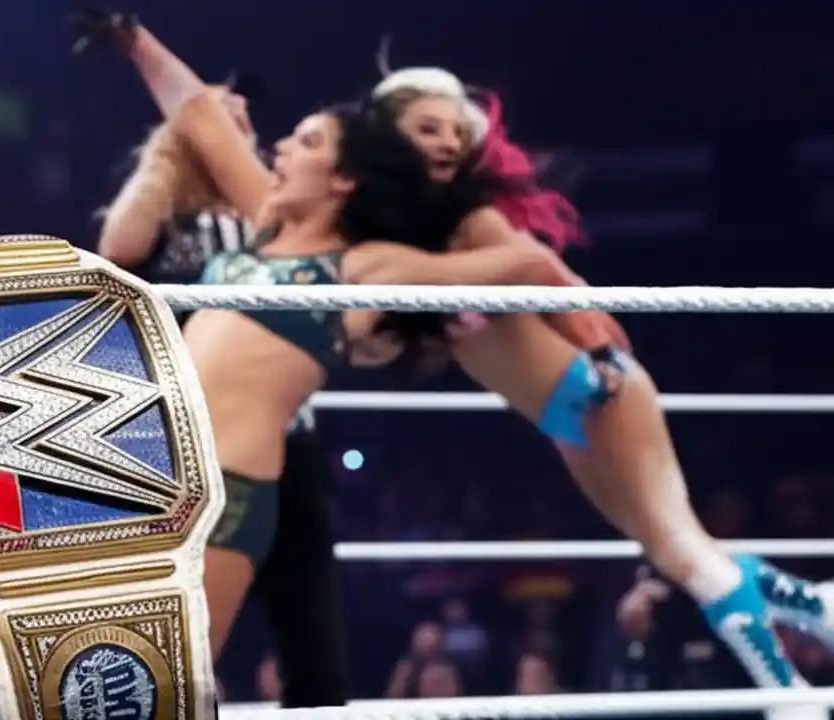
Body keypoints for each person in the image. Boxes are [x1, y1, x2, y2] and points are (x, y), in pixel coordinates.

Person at [68, 10, 618, 662]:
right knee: (87, 661)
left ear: (343, 178)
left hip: (227, 489)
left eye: (305, 142)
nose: (279, 148)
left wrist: (597, 347)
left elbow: (526, 261)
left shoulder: (365, 267)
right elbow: (199, 115)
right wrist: (133, 38)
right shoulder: (267, 226)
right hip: (153, 468)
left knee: (172, 674)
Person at [351, 62, 830, 689]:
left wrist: (598, 355)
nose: (447, 142)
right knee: (679, 553)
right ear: (387, 139)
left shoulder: (471, 221)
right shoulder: (407, 236)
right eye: (427, 129)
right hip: (562, 417)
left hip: (596, 391)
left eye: (455, 131)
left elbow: (553, 277)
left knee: (686, 552)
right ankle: (813, 609)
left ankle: (789, 688)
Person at [93, 73, 353, 707]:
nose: (238, 129)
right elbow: (116, 249)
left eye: (242, 120)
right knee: (180, 645)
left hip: (286, 438)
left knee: (309, 632)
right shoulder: (168, 207)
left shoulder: (276, 216)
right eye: (219, 118)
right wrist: (167, 153)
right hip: (185, 443)